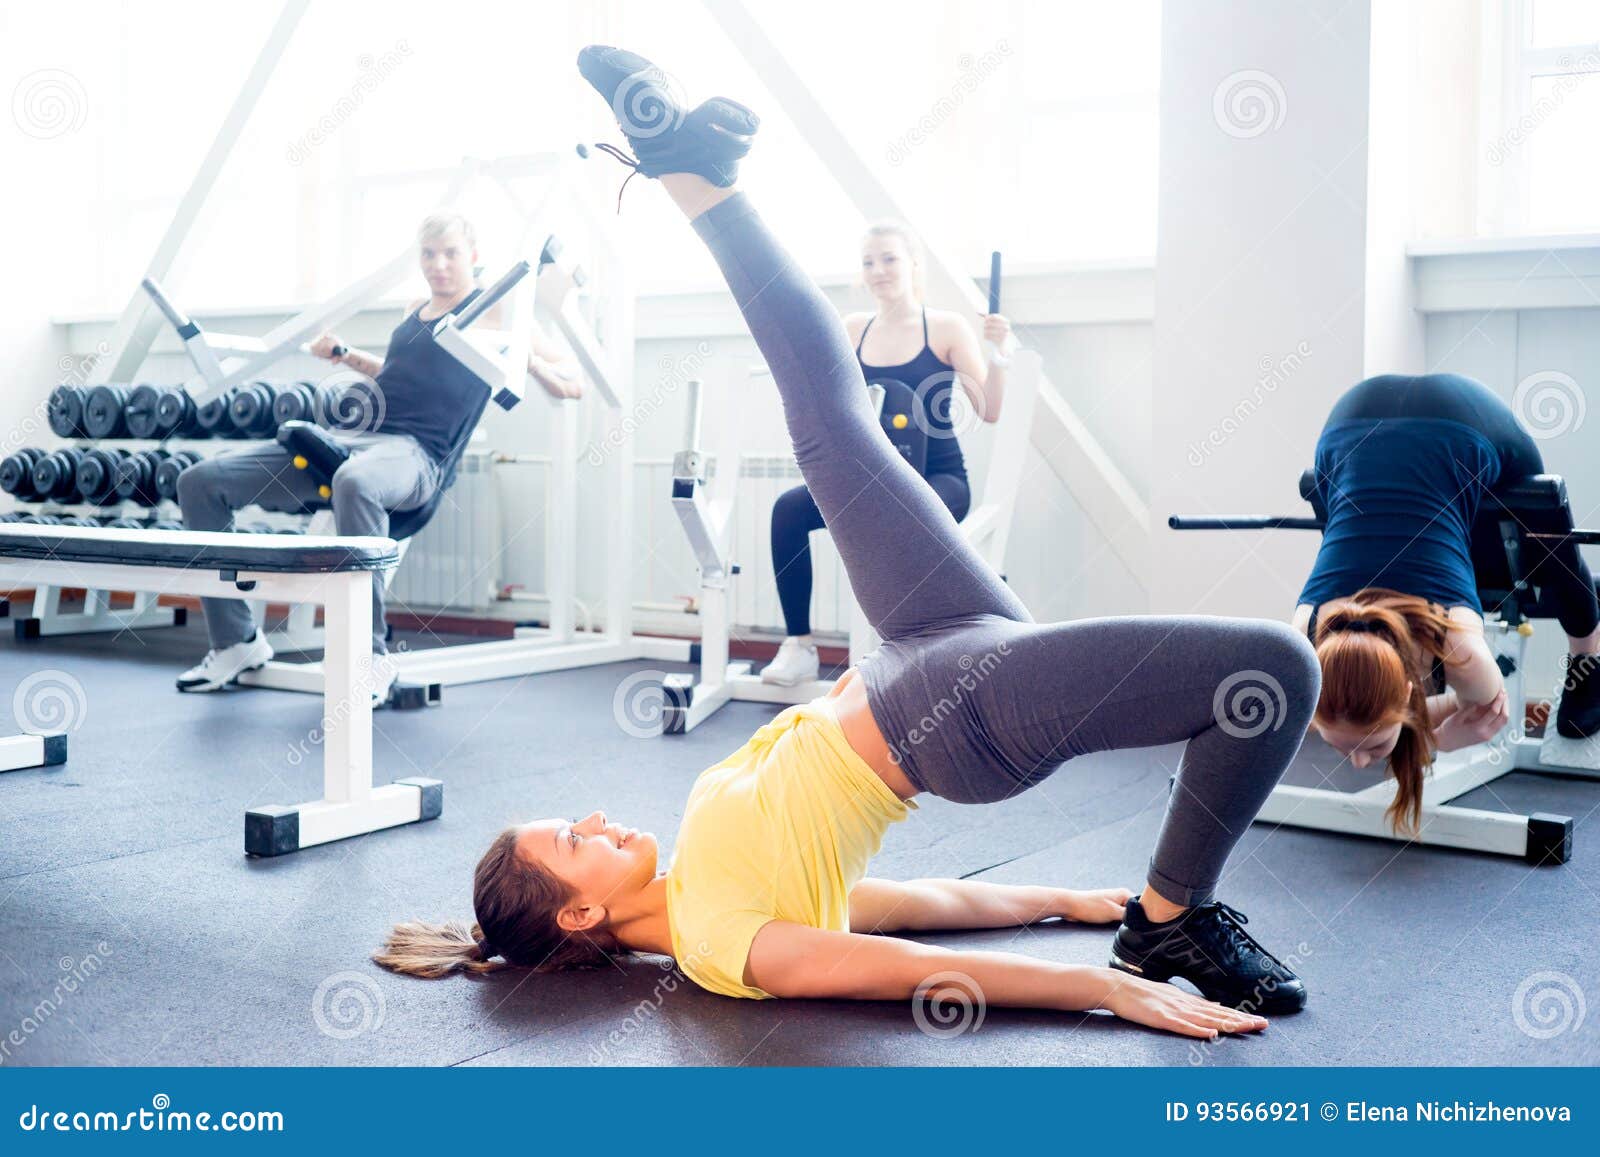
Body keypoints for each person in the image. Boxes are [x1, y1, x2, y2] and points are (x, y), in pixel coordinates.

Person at [377, 47, 1321, 1038]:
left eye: (578, 820)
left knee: (831, 422)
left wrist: (1062, 900)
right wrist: (1101, 983)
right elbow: (898, 965)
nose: (599, 820)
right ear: (578, 913)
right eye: (577, 840)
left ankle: (691, 175)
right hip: (953, 721)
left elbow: (908, 903)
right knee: (1272, 669)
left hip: (921, 639)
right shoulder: (718, 940)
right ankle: (1171, 922)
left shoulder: (696, 873)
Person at [174, 211, 580, 702]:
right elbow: (396, 374)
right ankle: (235, 642)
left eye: (450, 253)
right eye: (429, 254)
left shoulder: (497, 314)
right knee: (199, 482)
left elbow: (572, 381)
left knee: (356, 482)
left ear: (472, 255)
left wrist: (526, 360)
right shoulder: (415, 308)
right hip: (356, 439)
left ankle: (369, 657)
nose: (438, 264)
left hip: (416, 456)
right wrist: (345, 354)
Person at [1294, 372, 1600, 833]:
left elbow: (1486, 708)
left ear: (1406, 695)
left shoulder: (1460, 650)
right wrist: (1420, 731)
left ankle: (1587, 658)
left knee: (1545, 535)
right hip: (1352, 416)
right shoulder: (1300, 637)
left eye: (1372, 747)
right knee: (1461, 522)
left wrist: (1436, 738)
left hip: (1467, 419)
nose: (1358, 763)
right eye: (1340, 746)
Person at [759, 220, 1014, 686]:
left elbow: (990, 410)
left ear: (913, 264)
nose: (878, 270)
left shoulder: (947, 327)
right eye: (869, 262)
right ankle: (799, 646)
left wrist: (998, 351)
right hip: (867, 480)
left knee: (900, 520)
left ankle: (917, 658)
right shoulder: (852, 330)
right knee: (788, 510)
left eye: (889, 259)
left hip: (936, 477)